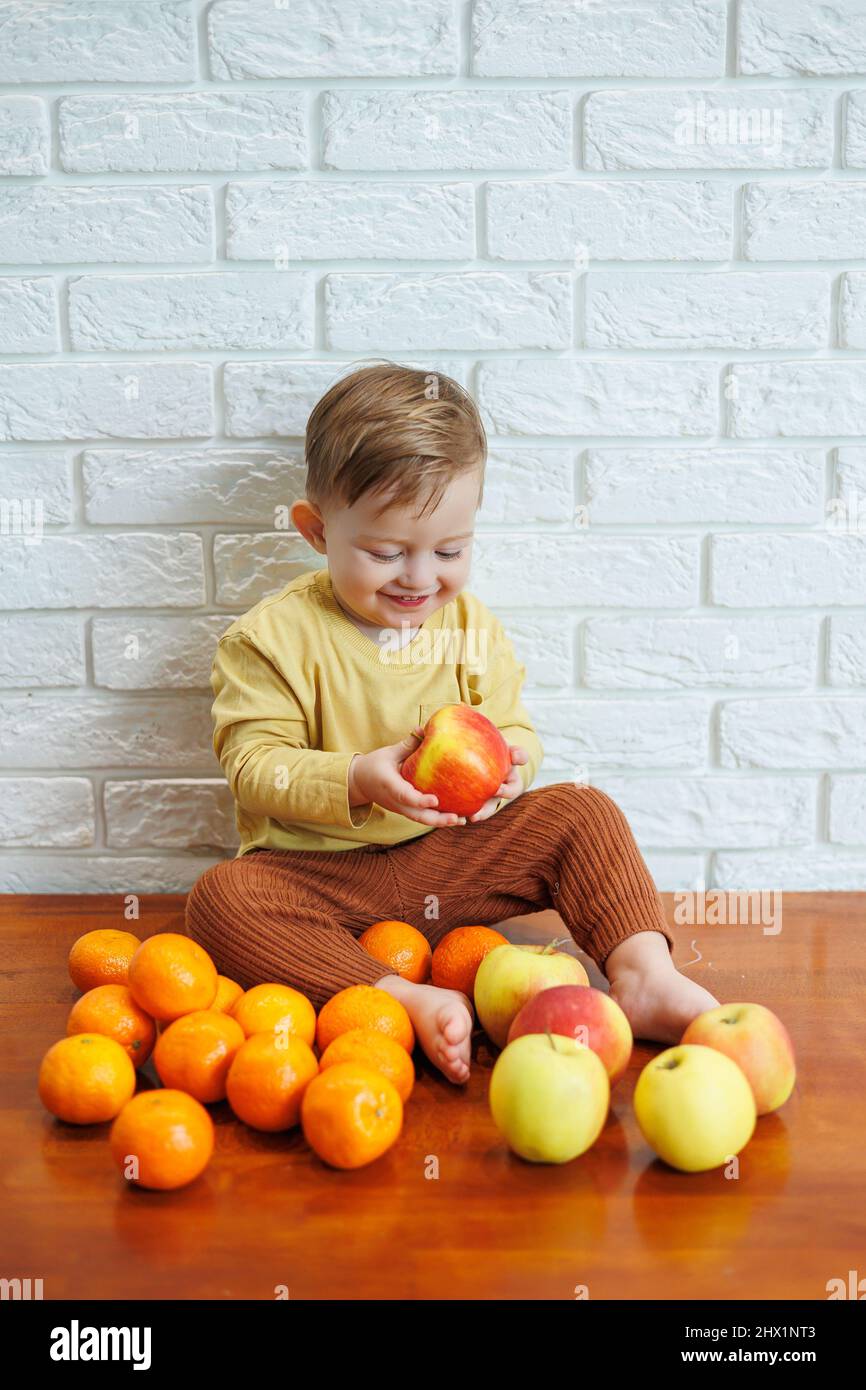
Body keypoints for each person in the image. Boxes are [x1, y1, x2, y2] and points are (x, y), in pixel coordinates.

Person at [186, 360, 718, 1084]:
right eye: (384, 551)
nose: (418, 576)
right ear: (317, 530)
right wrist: (359, 778)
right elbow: (253, 767)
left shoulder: (468, 626)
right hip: (322, 877)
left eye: (449, 550)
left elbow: (515, 731)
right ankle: (397, 996)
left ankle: (643, 972)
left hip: (451, 859)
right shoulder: (268, 640)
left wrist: (512, 771)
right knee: (221, 901)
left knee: (581, 811)